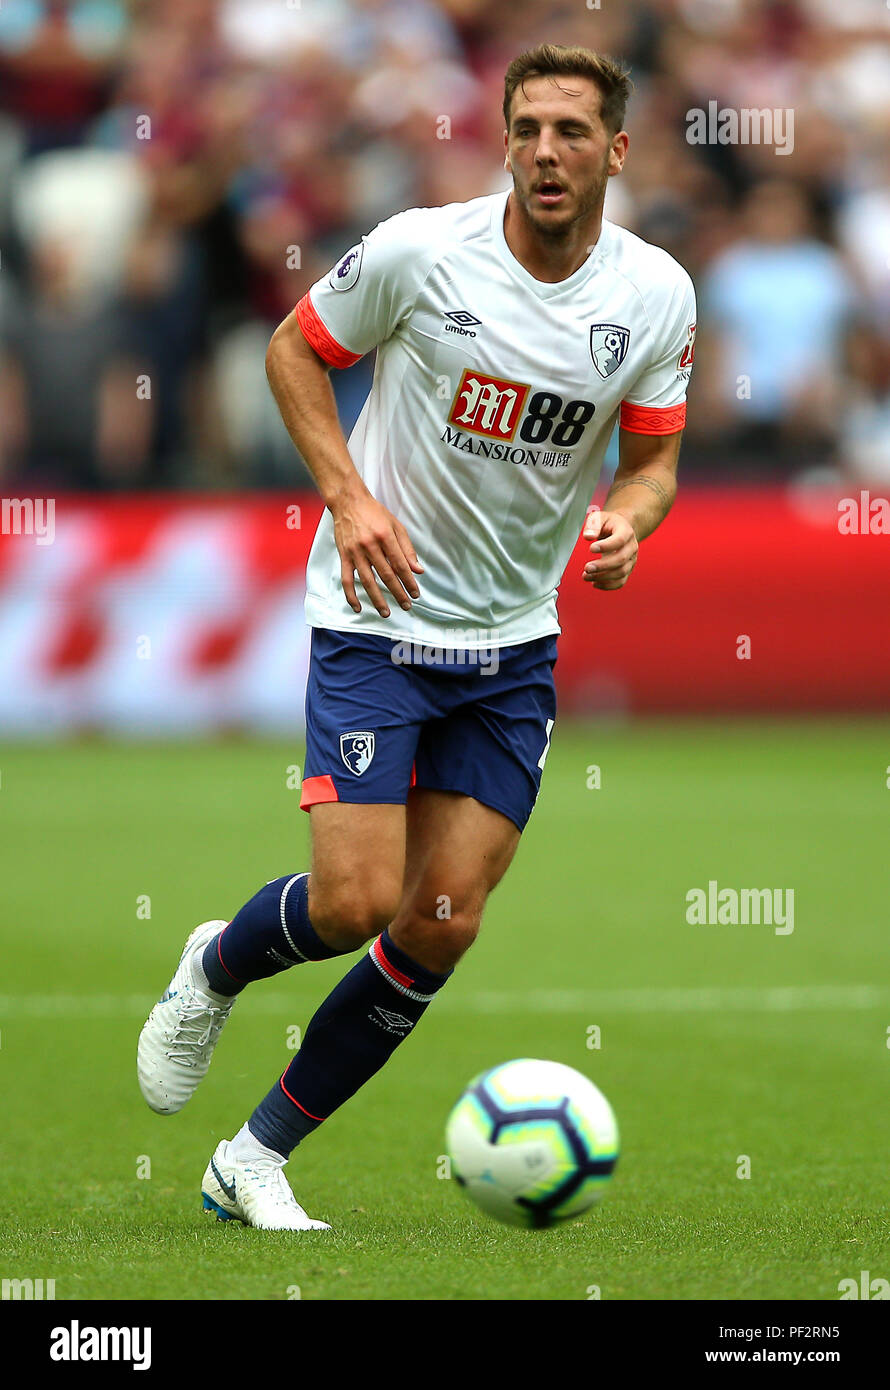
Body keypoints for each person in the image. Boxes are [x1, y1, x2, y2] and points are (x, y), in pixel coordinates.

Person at [137, 43, 696, 1232]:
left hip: (512, 645)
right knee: (350, 903)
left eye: (569, 132)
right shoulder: (417, 252)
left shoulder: (653, 295)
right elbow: (296, 348)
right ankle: (216, 965)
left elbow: (649, 461)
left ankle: (255, 1155)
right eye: (527, 128)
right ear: (505, 138)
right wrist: (347, 493)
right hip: (376, 615)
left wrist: (628, 523)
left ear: (615, 150)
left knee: (441, 919)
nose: (546, 152)